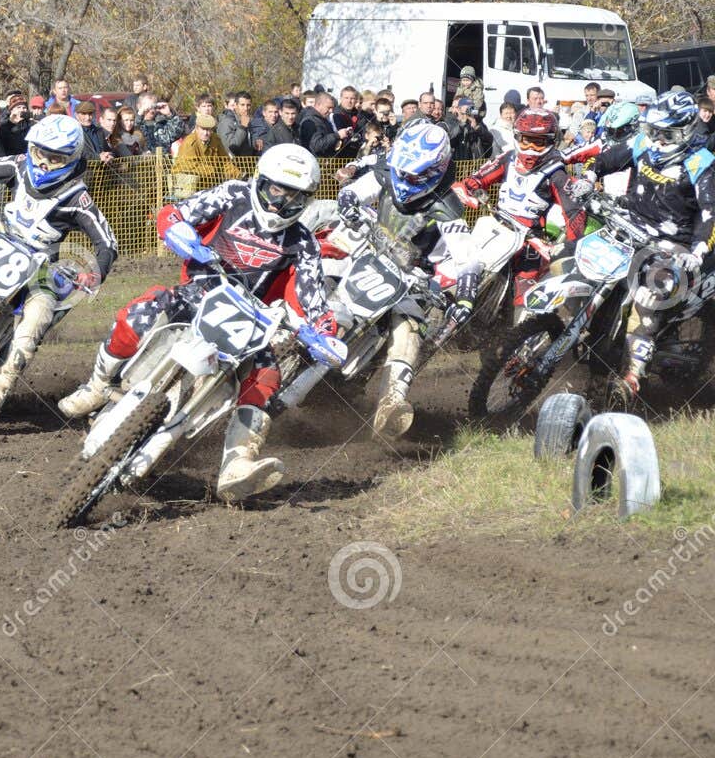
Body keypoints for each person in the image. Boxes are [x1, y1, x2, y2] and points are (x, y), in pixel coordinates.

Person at [59, 144, 339, 500]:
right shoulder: (233, 194)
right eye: (275, 192)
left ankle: (237, 463)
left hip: (254, 319)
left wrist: (324, 333)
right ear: (261, 182)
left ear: (308, 201)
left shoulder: (303, 243)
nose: (279, 205)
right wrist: (177, 229)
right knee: (141, 311)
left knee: (267, 376)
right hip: (201, 291)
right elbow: (177, 212)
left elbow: (313, 297)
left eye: (294, 200)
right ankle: (98, 384)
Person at [0, 113, 118, 421]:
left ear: (70, 157)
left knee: (37, 318)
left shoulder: (78, 198)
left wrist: (95, 272)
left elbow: (107, 243)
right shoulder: (20, 165)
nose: (45, 162)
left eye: (54, 157)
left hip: (39, 266)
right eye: (40, 153)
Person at [566, 90, 715, 402]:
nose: (658, 140)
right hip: (629, 225)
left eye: (666, 133)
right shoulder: (643, 143)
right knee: (573, 258)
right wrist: (590, 174)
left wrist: (698, 249)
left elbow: (708, 212)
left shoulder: (701, 161)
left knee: (648, 297)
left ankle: (632, 377)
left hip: (672, 244)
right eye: (653, 131)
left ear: (685, 131)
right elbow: (610, 157)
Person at [336, 121, 478, 436]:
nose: (403, 179)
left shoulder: (447, 206)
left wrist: (466, 296)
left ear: (434, 172)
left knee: (409, 327)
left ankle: (391, 402)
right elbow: (354, 192)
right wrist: (348, 204)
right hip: (366, 252)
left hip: (410, 278)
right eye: (401, 171)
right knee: (322, 272)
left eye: (411, 176)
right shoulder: (389, 171)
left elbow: (467, 256)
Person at [453, 108, 589, 303]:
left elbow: (574, 212)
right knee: (463, 266)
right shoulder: (508, 158)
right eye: (526, 140)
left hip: (530, 241)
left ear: (550, 141)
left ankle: (517, 331)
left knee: (524, 299)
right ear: (517, 137)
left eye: (538, 141)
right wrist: (466, 191)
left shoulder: (556, 173)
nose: (531, 147)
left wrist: (571, 245)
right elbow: (475, 179)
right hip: (495, 226)